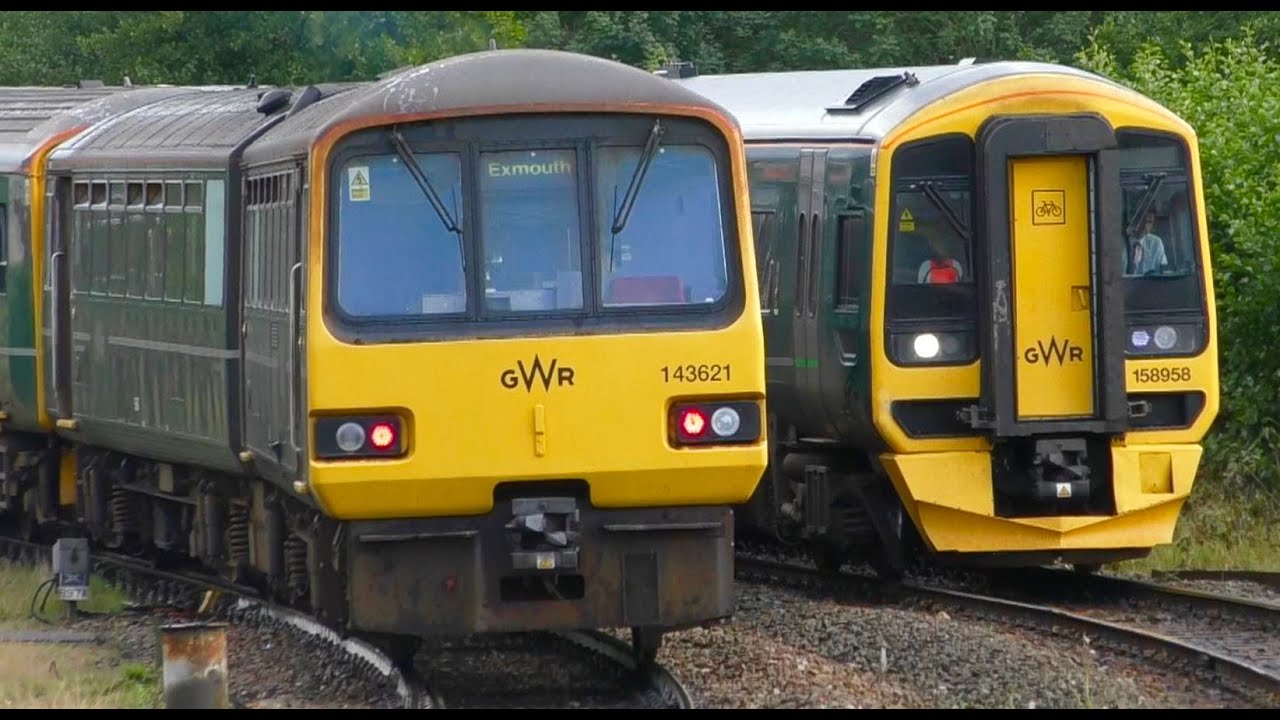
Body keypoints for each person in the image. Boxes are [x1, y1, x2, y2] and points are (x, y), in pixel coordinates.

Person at [1124, 209, 1167, 276]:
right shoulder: (1121, 242)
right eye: (1142, 221)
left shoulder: (1156, 243)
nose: (1145, 226)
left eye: (1149, 222)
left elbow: (1162, 271)